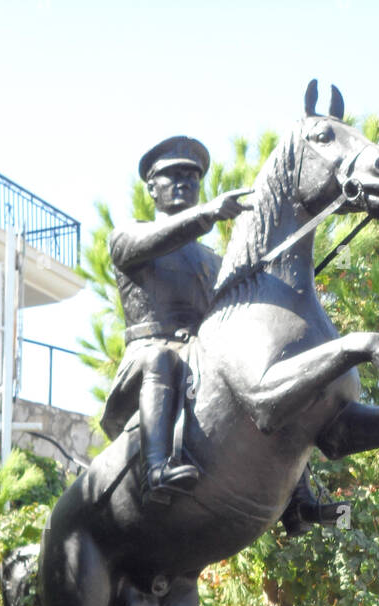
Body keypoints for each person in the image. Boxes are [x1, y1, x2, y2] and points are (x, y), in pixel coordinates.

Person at [102, 135, 341, 531]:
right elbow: (143, 246)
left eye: (192, 178)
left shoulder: (213, 261)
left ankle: (299, 503)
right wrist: (209, 214)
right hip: (150, 356)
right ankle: (156, 469)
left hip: (202, 357)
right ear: (152, 187)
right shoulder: (128, 236)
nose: (184, 183)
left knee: (271, 388)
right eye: (172, 175)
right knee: (162, 358)